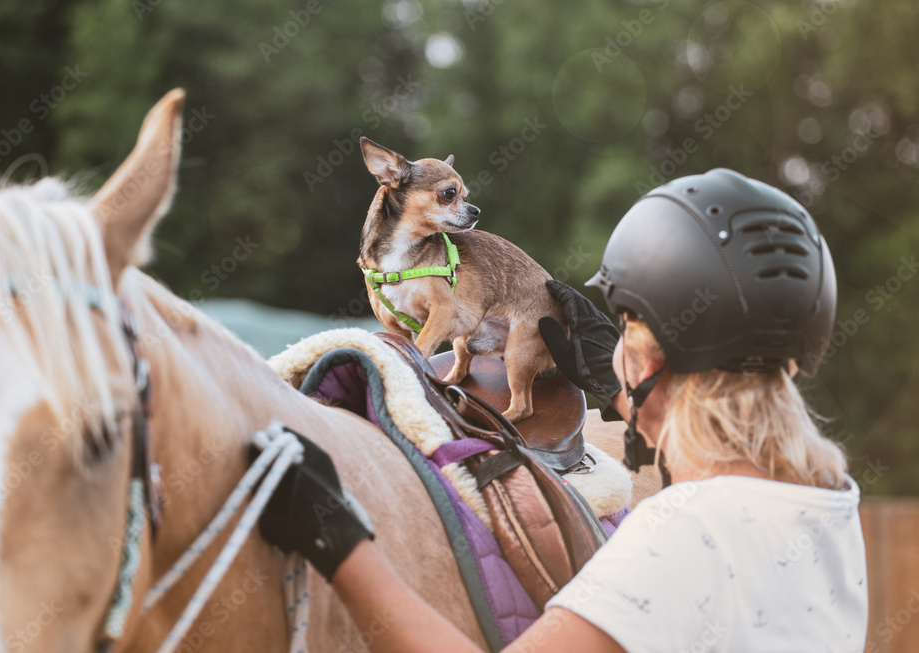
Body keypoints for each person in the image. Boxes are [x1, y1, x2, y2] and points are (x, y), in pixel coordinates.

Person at [259, 169, 869, 652]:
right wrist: (617, 385)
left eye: (627, 326)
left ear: (653, 349)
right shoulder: (831, 510)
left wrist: (341, 546)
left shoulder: (684, 533)